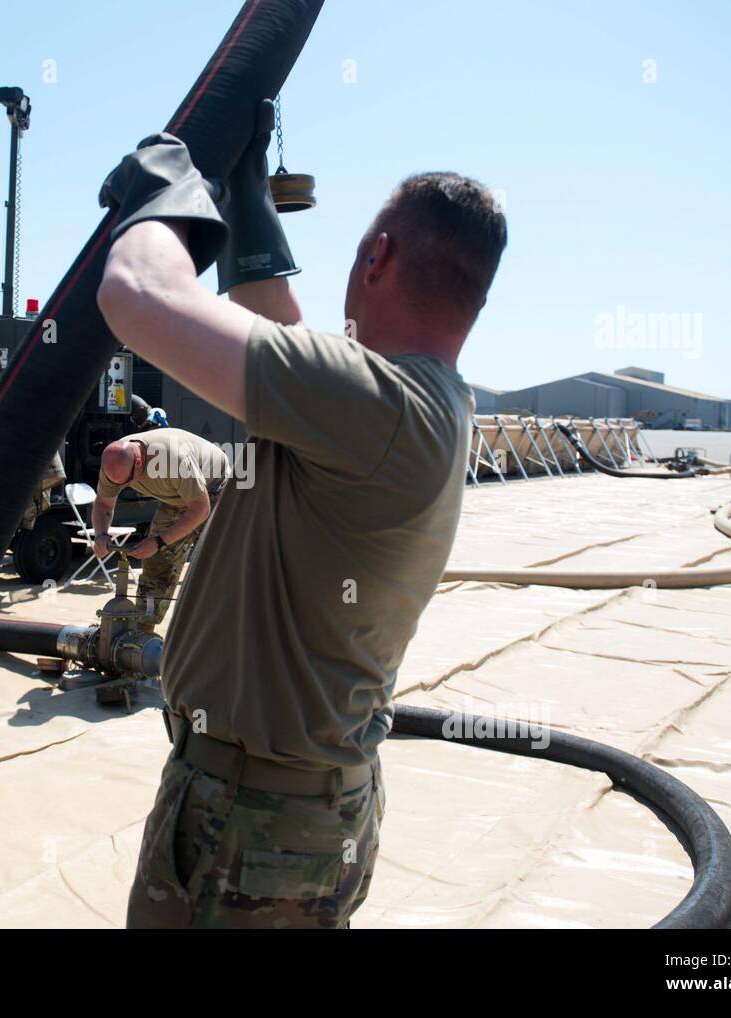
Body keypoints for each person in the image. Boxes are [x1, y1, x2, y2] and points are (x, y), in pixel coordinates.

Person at [96, 100, 506, 928]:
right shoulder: (422, 406)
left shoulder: (378, 404)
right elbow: (272, 324)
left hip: (246, 824)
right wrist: (244, 187)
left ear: (377, 256)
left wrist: (160, 193)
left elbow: (137, 293)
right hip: (293, 810)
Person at [91, 429, 230, 631]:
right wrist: (101, 535)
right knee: (157, 565)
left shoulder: (173, 459)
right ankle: (142, 634)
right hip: (176, 497)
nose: (122, 487)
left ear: (138, 464)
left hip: (214, 490)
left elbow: (201, 509)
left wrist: (158, 542)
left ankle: (230, 634)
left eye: (127, 483)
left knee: (221, 564)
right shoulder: (114, 461)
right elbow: (104, 503)